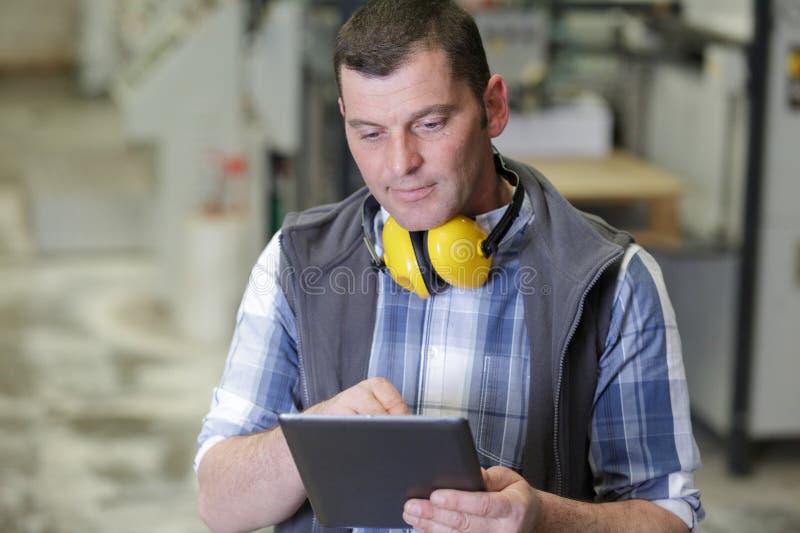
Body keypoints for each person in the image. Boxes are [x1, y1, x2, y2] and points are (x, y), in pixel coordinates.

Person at [195, 1, 704, 532]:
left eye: (430, 124)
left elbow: (667, 517)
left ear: (494, 107)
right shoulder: (296, 261)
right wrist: (310, 436)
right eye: (370, 133)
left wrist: (543, 520)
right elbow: (218, 504)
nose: (400, 164)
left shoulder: (613, 281)